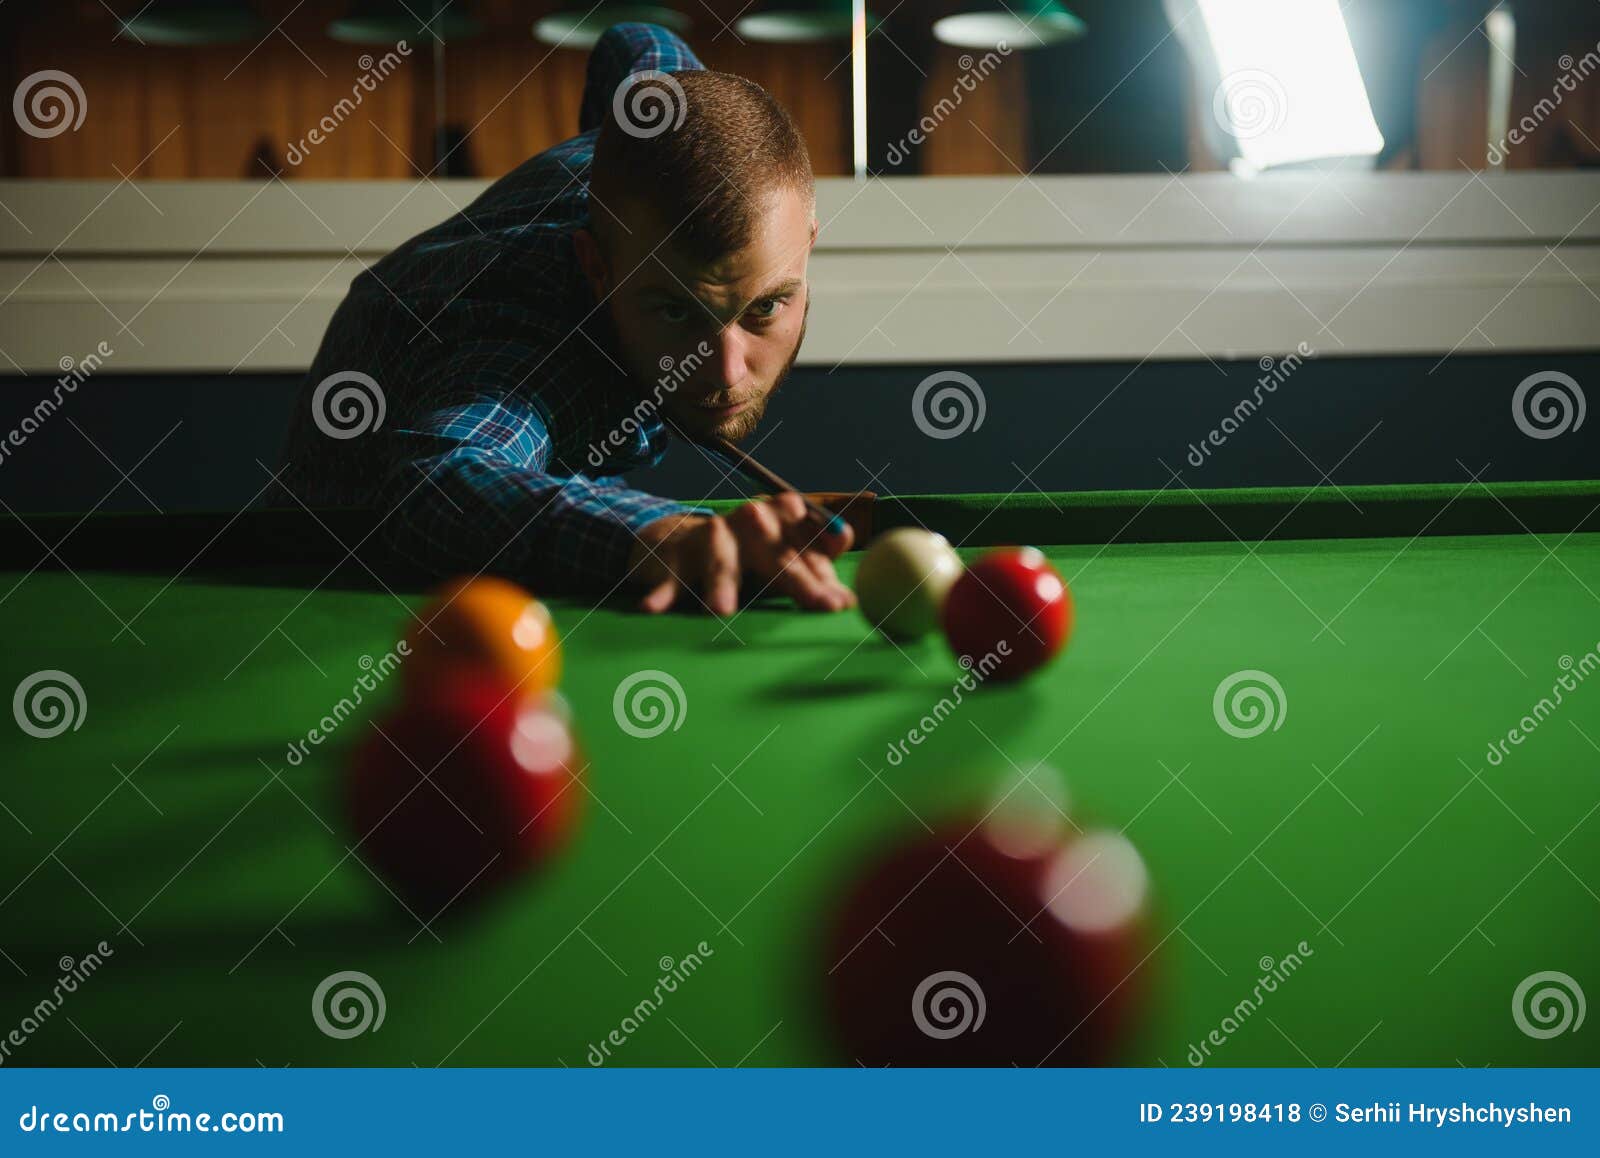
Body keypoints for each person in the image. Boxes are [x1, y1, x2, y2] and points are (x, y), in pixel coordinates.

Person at [278, 23, 854, 616]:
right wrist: (656, 531)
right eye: (676, 312)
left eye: (764, 308)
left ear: (809, 242)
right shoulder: (538, 348)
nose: (727, 372)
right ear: (596, 266)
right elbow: (437, 483)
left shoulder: (655, 128)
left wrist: (614, 155)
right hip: (334, 561)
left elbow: (636, 40)